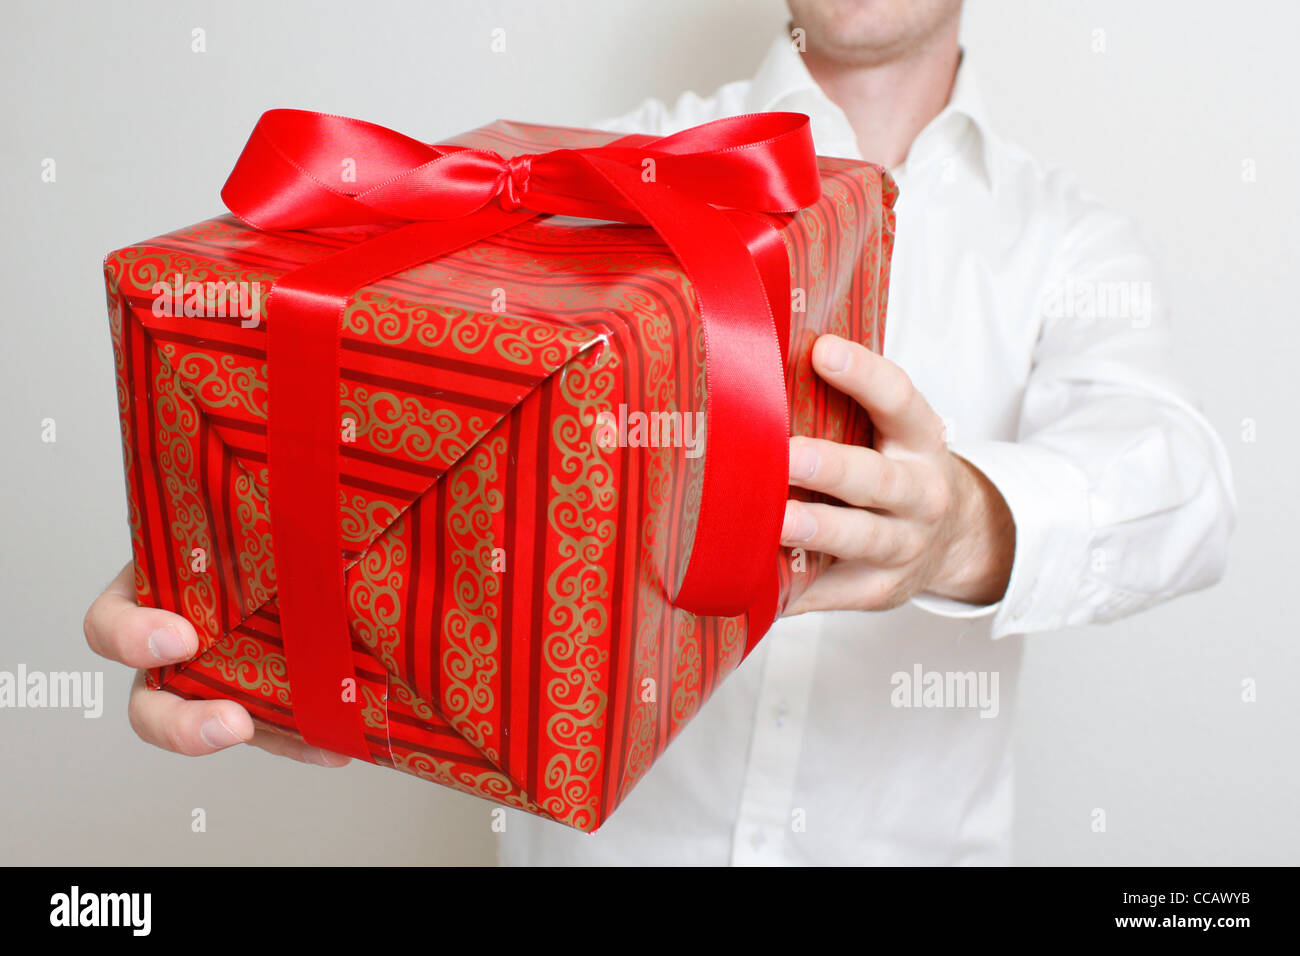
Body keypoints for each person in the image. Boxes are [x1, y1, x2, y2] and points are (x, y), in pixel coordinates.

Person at [83, 0, 1235, 865]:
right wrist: (293, 622)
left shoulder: (1067, 239)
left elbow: (1184, 490)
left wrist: (964, 528)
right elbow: (377, 402)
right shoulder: (569, 189)